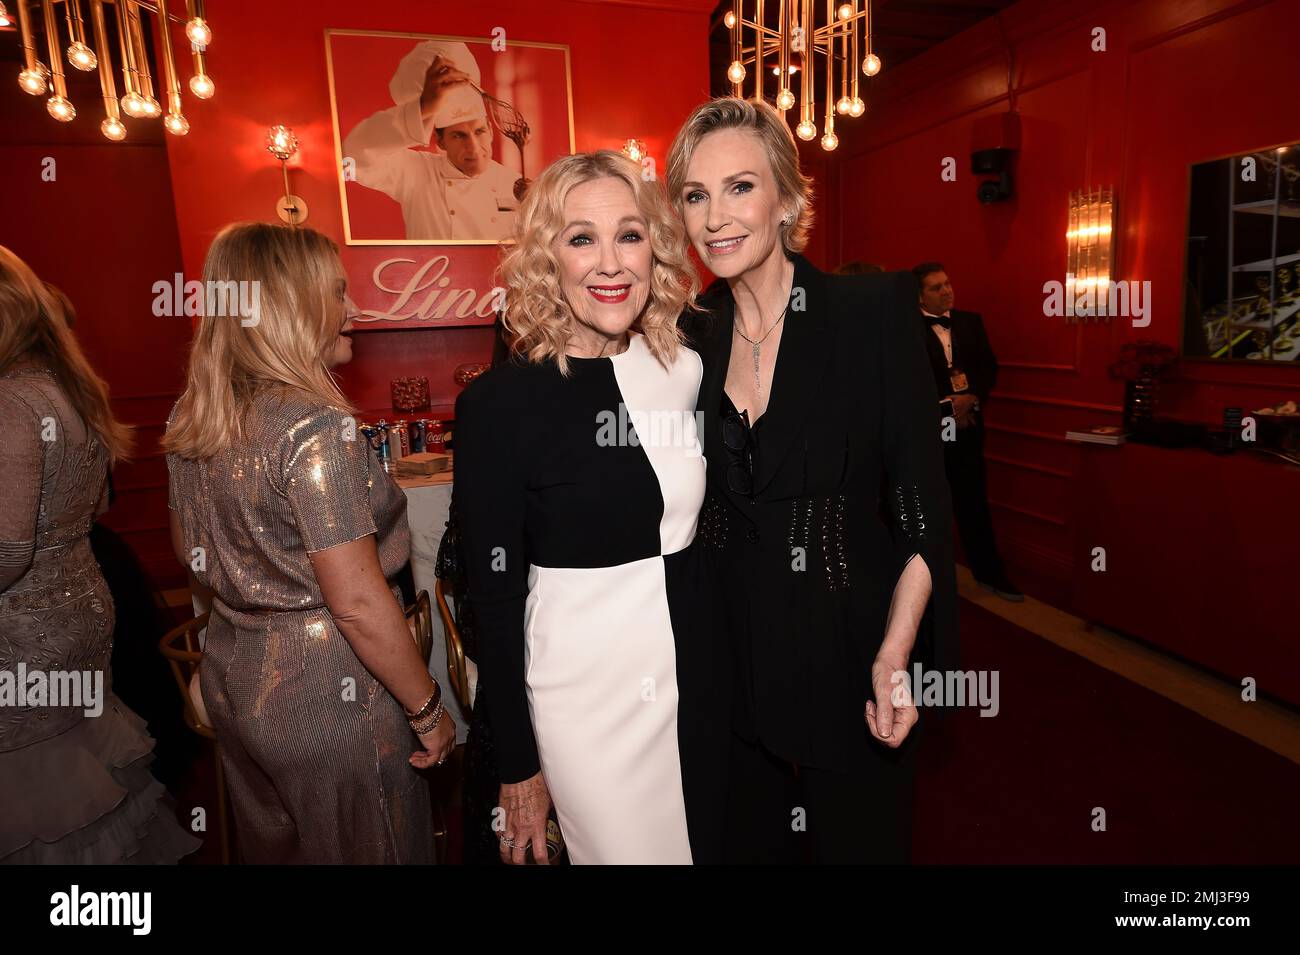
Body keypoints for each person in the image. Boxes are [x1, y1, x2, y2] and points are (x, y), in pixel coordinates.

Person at [668, 97, 959, 864]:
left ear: (787, 199)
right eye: (696, 195)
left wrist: (895, 654)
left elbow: (923, 517)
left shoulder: (870, 316)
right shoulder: (689, 335)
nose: (715, 216)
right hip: (726, 666)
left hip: (851, 656)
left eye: (739, 187)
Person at [454, 150, 728, 865]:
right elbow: (492, 595)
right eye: (582, 238)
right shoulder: (498, 406)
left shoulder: (686, 368)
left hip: (690, 681)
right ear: (548, 258)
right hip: (581, 698)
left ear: (656, 249)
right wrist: (517, 762)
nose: (610, 263)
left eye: (629, 235)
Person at [164, 222, 454, 864]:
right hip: (332, 689)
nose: (353, 309)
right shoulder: (314, 425)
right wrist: (429, 708)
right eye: (337, 292)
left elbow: (192, 552)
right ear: (290, 305)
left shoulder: (194, 416)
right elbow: (354, 600)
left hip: (237, 678)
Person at [0, 247, 199, 864]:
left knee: (49, 813)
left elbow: (6, 552)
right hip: (76, 614)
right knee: (88, 796)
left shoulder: (13, 402)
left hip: (23, 639)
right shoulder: (62, 391)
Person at [912, 262, 1022, 602]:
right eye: (936, 287)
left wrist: (971, 399)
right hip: (927, 432)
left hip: (969, 426)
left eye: (947, 283)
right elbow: (908, 380)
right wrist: (948, 407)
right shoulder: (906, 327)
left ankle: (990, 574)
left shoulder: (971, 322)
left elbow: (988, 368)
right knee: (928, 508)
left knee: (973, 502)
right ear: (920, 296)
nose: (947, 290)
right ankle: (925, 582)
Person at [344, 40, 520, 241]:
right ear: (441, 142)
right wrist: (423, 108)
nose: (473, 147)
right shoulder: (416, 173)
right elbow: (351, 156)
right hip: (435, 272)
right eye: (458, 135)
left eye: (479, 131)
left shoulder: (513, 182)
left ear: (490, 130)